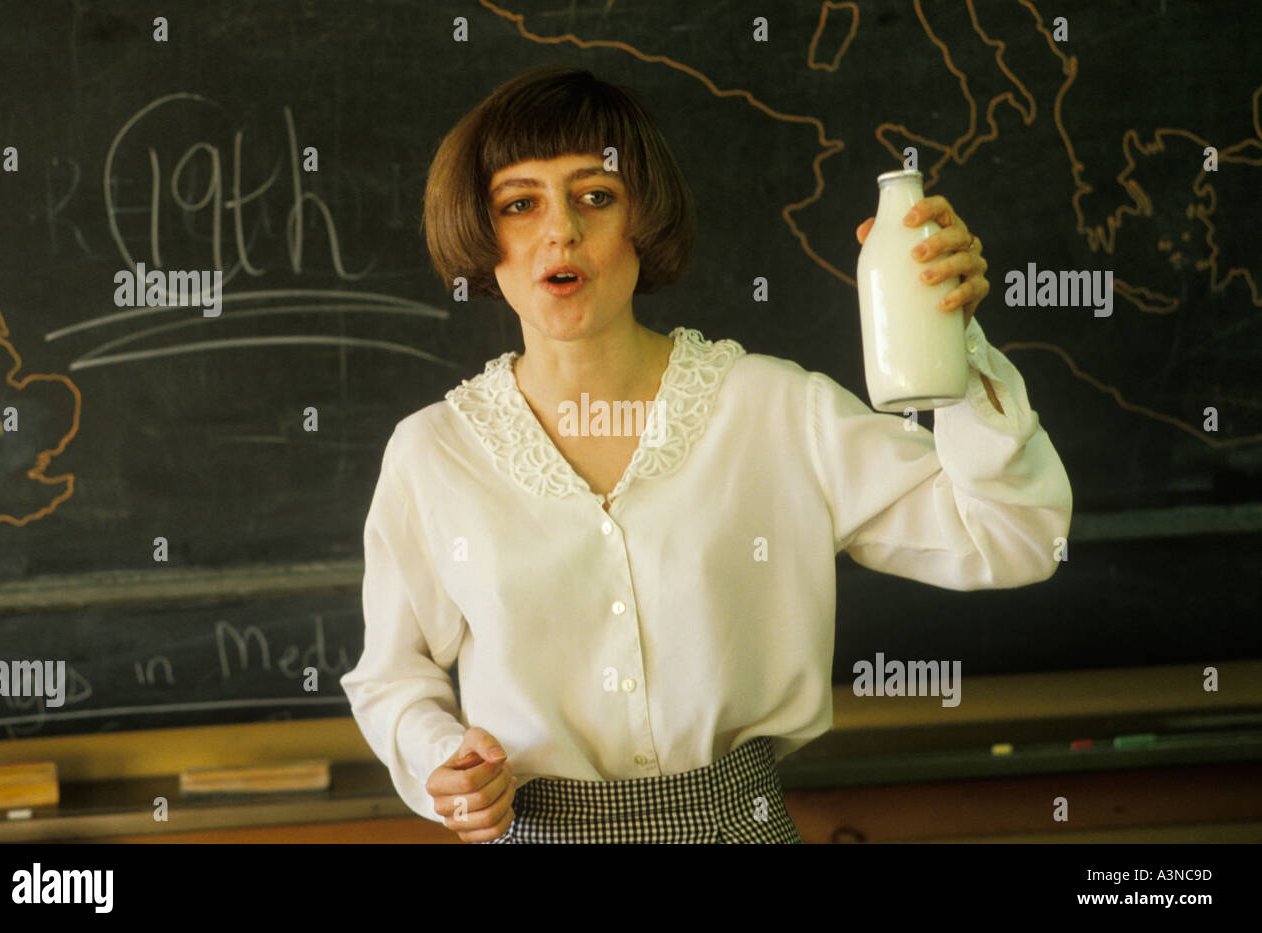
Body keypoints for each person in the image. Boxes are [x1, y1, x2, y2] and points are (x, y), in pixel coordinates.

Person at [340, 64, 1072, 843]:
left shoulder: (771, 407)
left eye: (596, 195)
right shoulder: (434, 452)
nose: (561, 231)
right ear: (484, 238)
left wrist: (950, 337)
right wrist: (442, 762)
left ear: (642, 220)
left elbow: (1017, 537)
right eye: (520, 204)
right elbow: (392, 676)